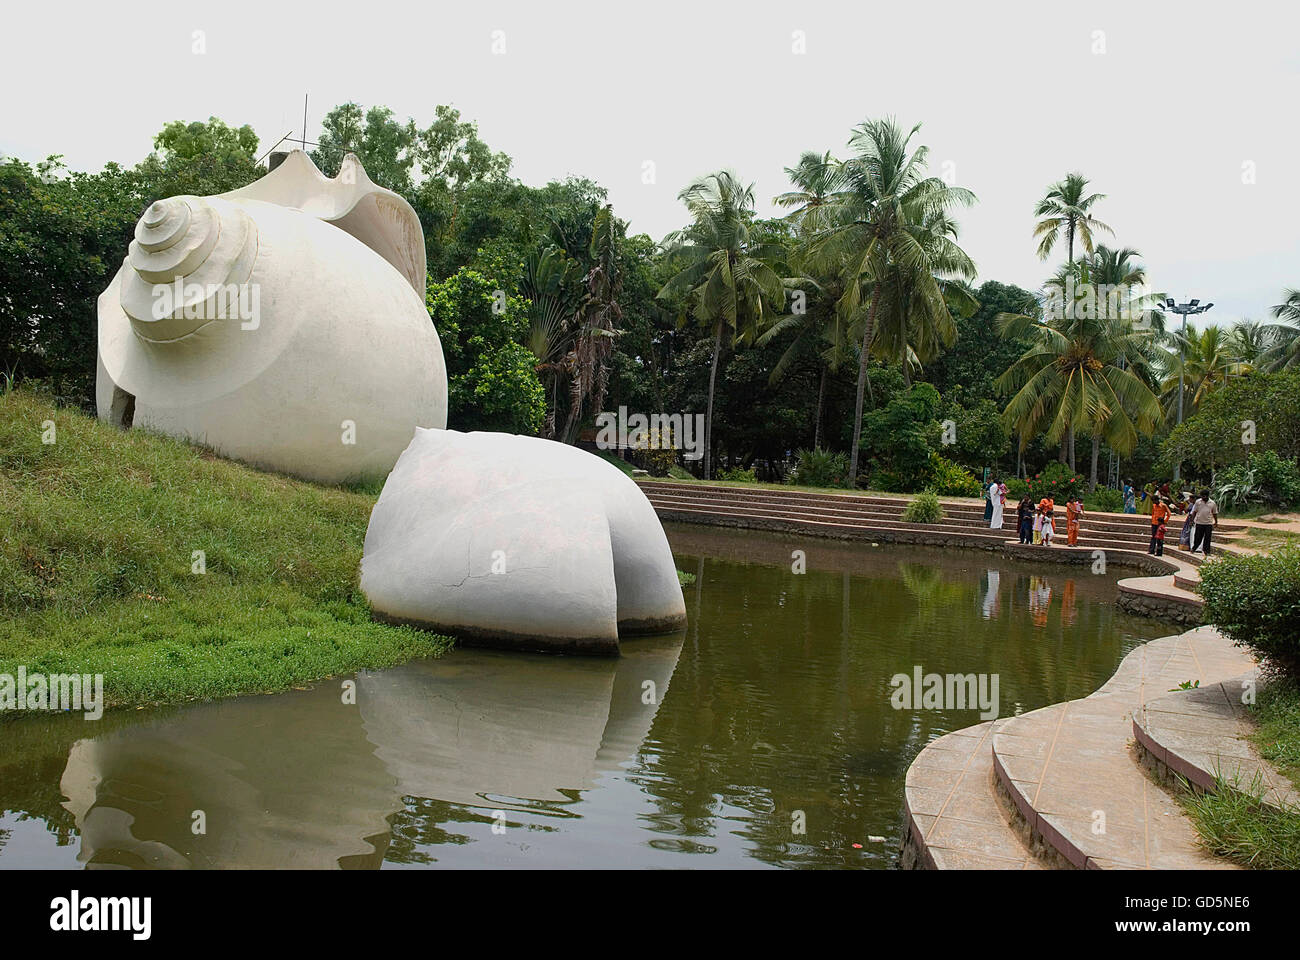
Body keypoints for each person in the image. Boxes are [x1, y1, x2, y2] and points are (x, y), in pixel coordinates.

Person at [1191, 489, 1219, 555]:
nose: (1204, 497)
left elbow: (1214, 513)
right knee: (1198, 537)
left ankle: (1207, 551)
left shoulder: (1212, 503)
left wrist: (1216, 522)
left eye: (1205, 496)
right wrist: (1192, 520)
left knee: (1207, 538)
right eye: (1203, 496)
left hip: (1208, 523)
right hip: (1199, 522)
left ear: (1208, 496)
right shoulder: (1198, 502)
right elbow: (1194, 512)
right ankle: (1194, 548)